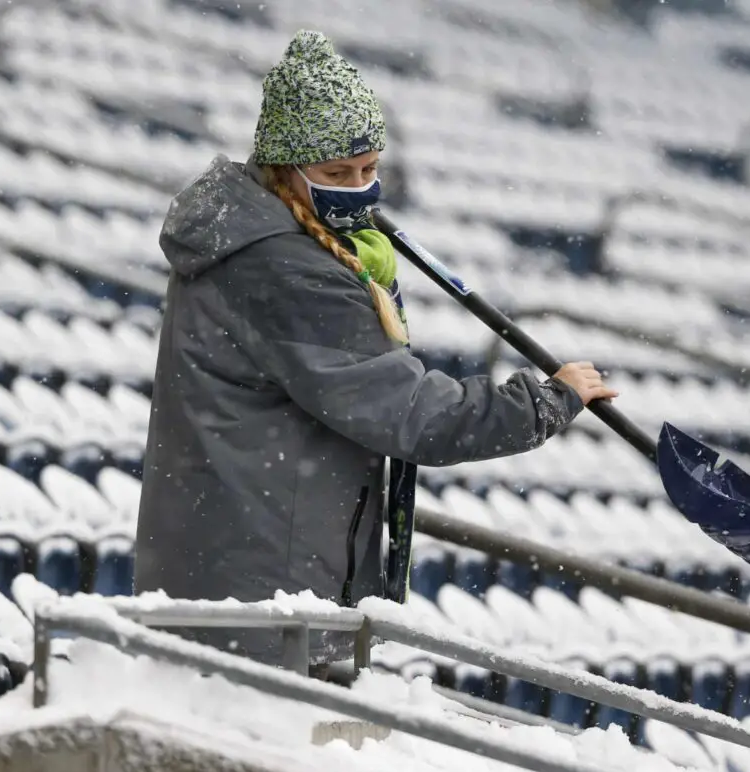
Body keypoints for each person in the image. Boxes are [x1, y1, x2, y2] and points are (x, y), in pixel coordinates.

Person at [135, 30, 617, 671]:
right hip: (261, 597)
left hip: (241, 574)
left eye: (370, 169)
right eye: (337, 174)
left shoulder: (266, 235)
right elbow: (409, 412)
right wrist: (543, 402)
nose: (360, 188)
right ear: (283, 169)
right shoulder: (283, 266)